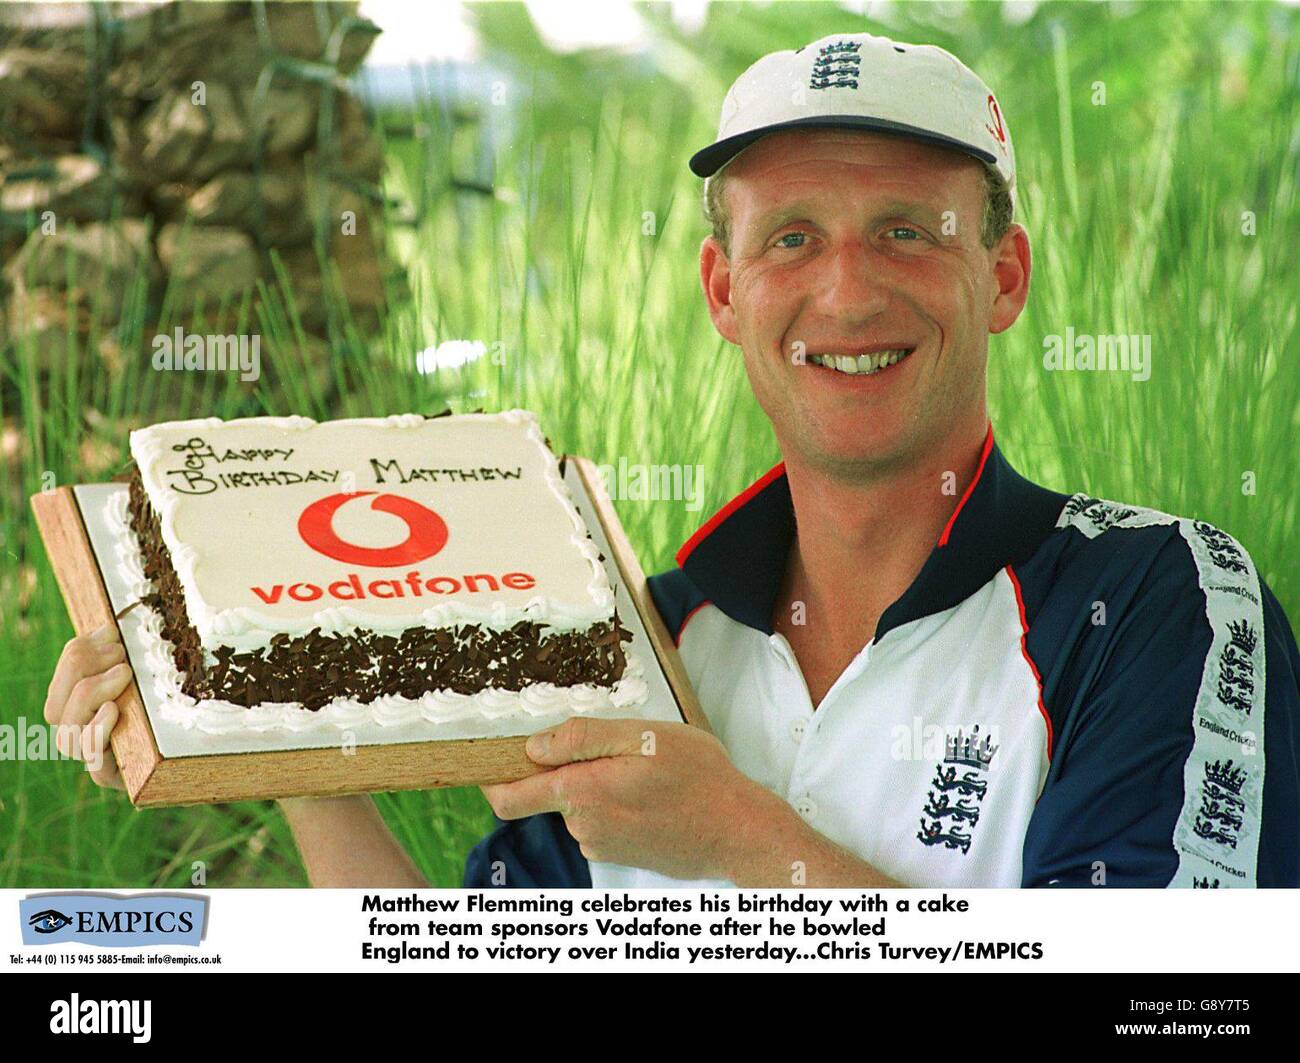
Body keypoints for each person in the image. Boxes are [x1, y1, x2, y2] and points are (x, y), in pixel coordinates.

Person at [47, 32, 1300, 889]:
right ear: (723, 289)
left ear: (1004, 276)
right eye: (792, 237)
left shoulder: (1152, 597)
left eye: (908, 232)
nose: (846, 290)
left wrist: (749, 843)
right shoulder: (632, 644)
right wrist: (281, 743)